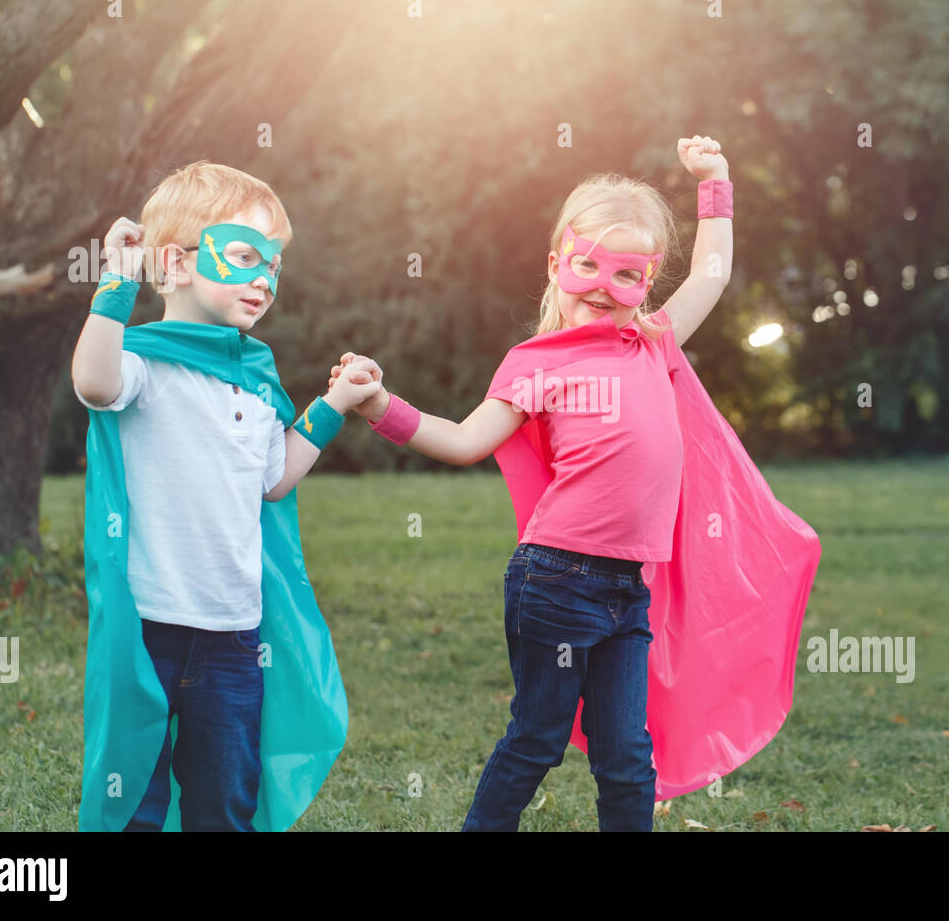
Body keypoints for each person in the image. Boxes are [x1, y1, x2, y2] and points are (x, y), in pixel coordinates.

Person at [334, 136, 822, 831]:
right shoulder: (536, 364)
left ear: (648, 280)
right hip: (556, 581)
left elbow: (711, 274)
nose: (600, 285)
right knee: (537, 740)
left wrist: (715, 183)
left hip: (630, 589)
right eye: (585, 264)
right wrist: (382, 405)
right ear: (557, 264)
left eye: (623, 274)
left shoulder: (653, 342)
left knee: (627, 753)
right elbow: (467, 440)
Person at [71, 160, 381, 831]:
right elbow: (94, 383)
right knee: (135, 797)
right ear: (177, 267)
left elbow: (274, 480)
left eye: (274, 265)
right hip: (148, 628)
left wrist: (334, 404)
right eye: (245, 256)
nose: (265, 277)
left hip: (235, 637)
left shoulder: (254, 379)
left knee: (224, 799)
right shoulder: (144, 364)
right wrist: (117, 285)